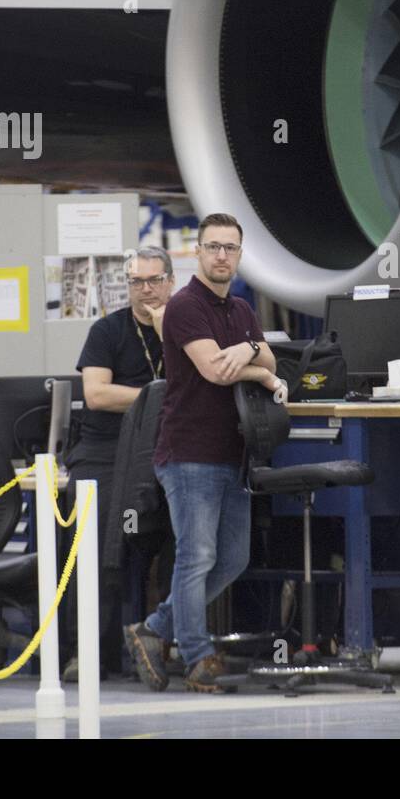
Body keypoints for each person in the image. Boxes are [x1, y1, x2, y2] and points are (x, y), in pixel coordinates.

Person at [124, 213, 284, 693]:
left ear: (238, 255)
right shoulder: (184, 307)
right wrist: (259, 370)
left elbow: (272, 356)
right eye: (212, 246)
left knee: (232, 558)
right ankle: (196, 657)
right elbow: (217, 370)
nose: (221, 255)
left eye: (230, 248)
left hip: (233, 454)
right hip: (188, 453)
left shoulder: (240, 311)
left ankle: (155, 628)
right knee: (196, 556)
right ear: (198, 252)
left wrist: (254, 350)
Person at [63, 246, 174, 679]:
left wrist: (169, 334)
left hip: (165, 450)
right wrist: (157, 399)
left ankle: (167, 645)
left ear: (170, 281)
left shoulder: (184, 330)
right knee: (93, 542)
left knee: (179, 542)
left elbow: (201, 382)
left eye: (153, 281)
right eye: (136, 282)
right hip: (106, 451)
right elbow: (97, 394)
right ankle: (88, 652)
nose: (145, 290)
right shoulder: (107, 331)